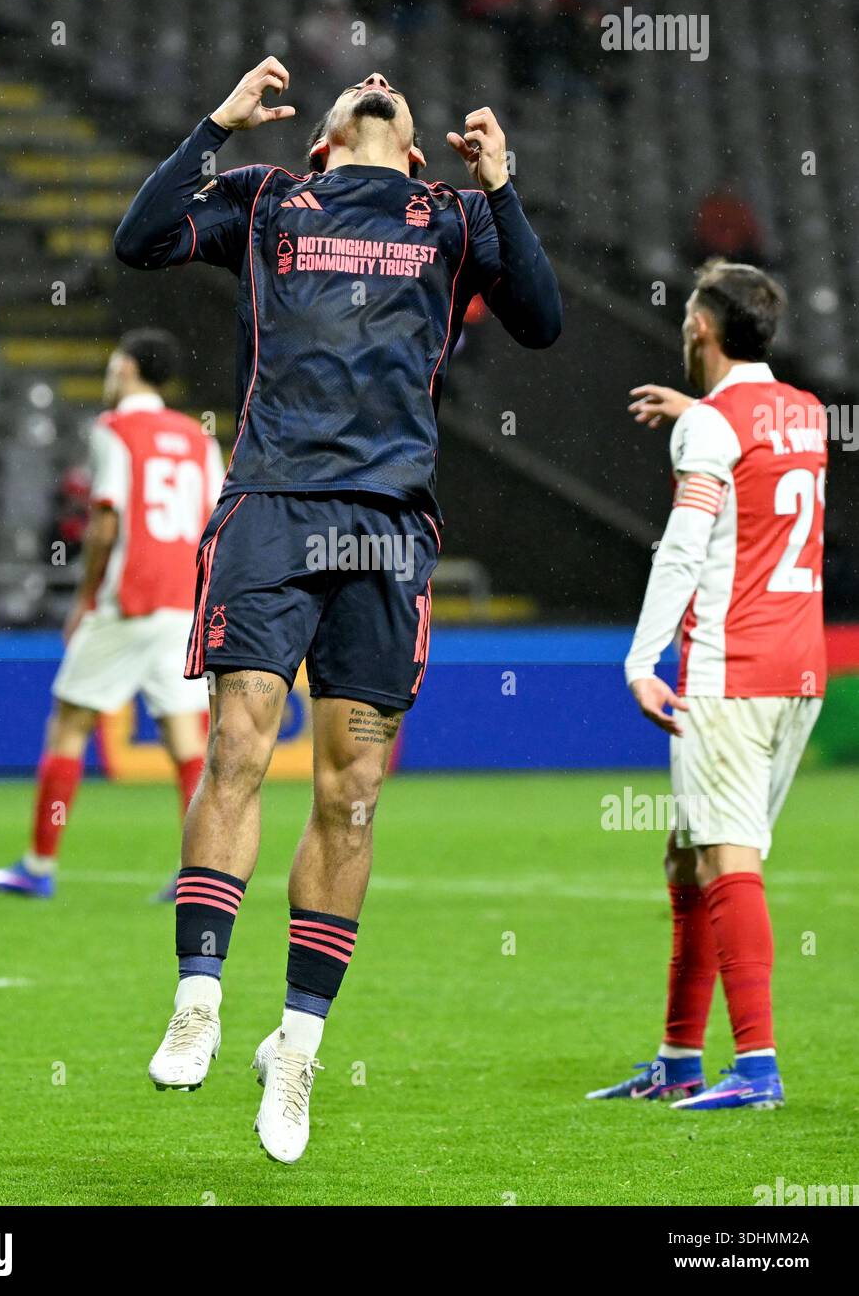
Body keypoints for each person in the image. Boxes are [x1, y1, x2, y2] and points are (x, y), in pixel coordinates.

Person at [114, 59, 561, 1162]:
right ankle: (199, 998)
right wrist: (215, 125)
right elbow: (140, 238)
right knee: (237, 742)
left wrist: (502, 186)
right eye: (353, 88)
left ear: (411, 147)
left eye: (391, 88)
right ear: (319, 141)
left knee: (351, 795)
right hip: (271, 505)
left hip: (385, 528)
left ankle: (298, 1050)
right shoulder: (269, 198)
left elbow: (543, 320)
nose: (374, 75)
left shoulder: (452, 217)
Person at [590, 261, 826, 1110]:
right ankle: (679, 1059)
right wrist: (697, 415)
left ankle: (756, 1066)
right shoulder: (805, 412)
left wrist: (640, 661)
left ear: (700, 327)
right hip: (800, 670)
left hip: (731, 670)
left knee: (727, 855)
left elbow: (685, 548)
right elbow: (754, 455)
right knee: (690, 854)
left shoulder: (714, 427)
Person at [0, 329, 223, 899]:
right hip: (184, 602)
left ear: (126, 367)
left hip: (128, 599)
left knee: (70, 724)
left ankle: (38, 866)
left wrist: (86, 598)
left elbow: (106, 522)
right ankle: (200, 876)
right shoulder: (199, 438)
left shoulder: (113, 430)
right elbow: (215, 522)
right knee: (186, 741)